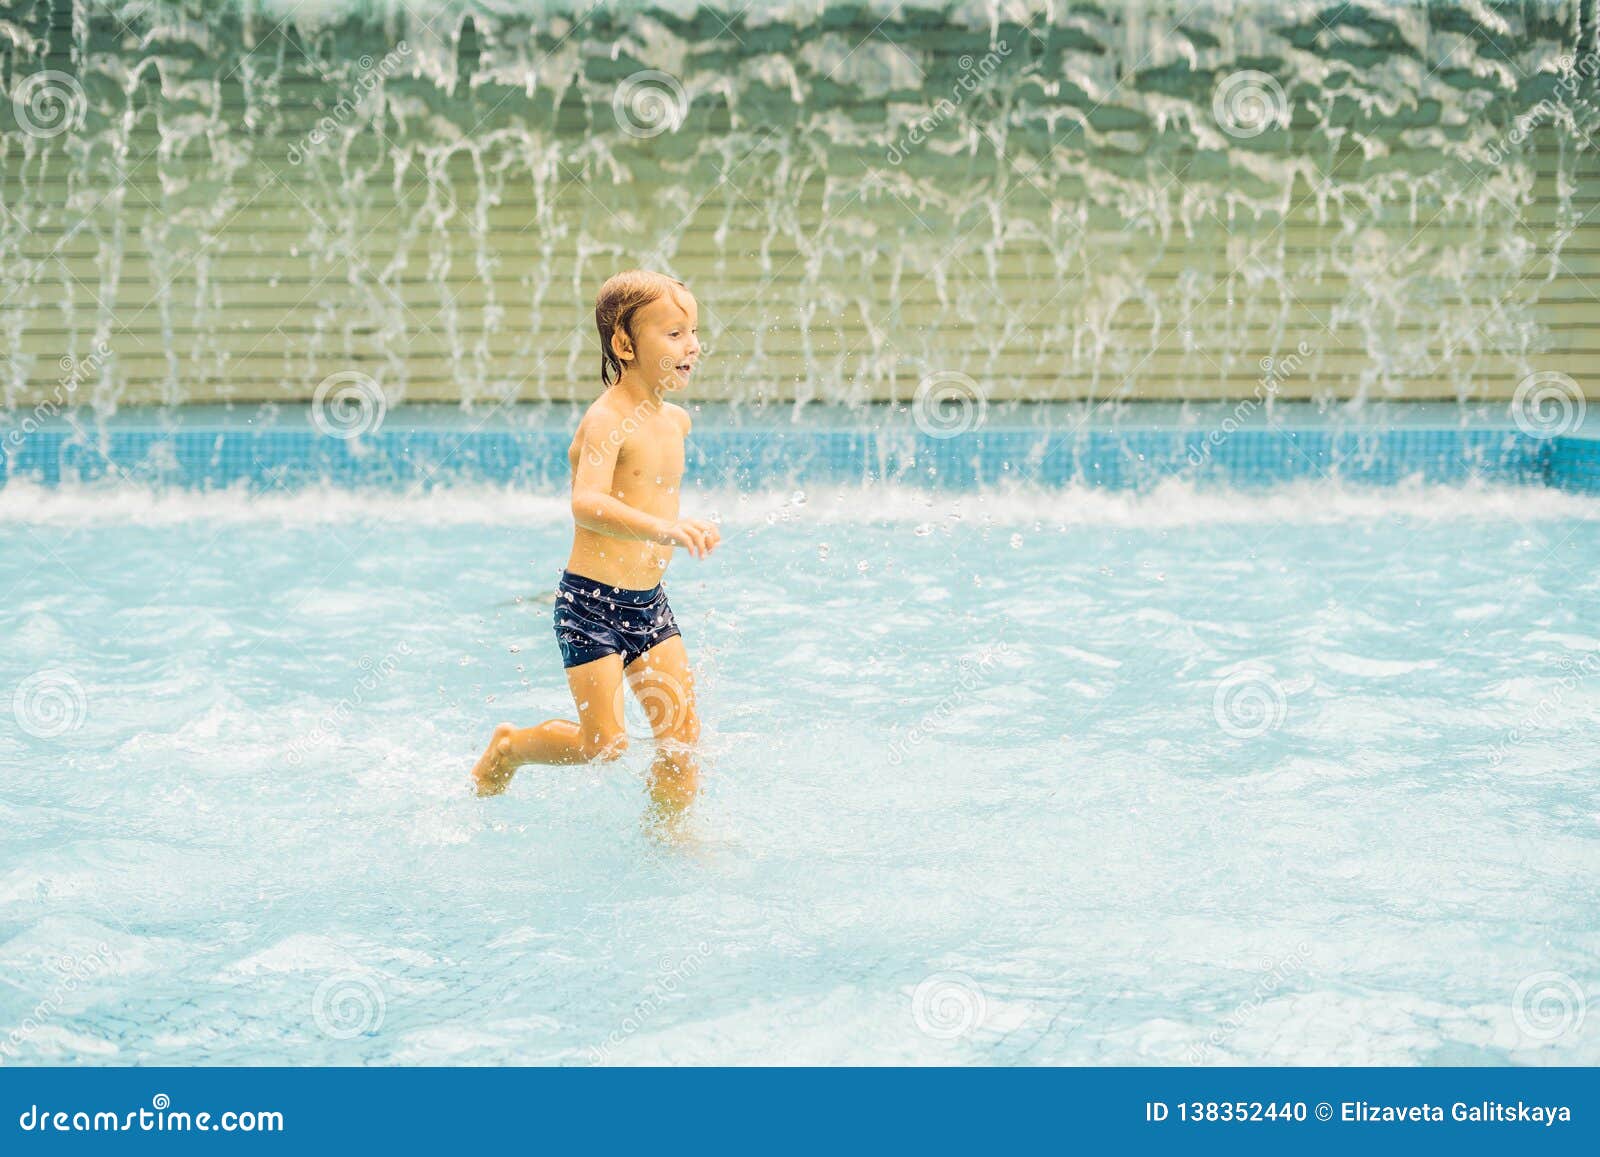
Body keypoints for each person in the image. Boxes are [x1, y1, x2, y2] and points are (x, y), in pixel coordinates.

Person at [471, 270, 720, 822]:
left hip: (647, 604)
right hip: (591, 605)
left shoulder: (675, 421)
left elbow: (651, 493)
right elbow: (586, 502)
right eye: (674, 333)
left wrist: (680, 524)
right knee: (604, 745)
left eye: (694, 331)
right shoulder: (606, 420)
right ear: (626, 345)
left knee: (681, 744)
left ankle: (668, 843)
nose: (692, 345)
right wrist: (666, 530)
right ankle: (510, 746)